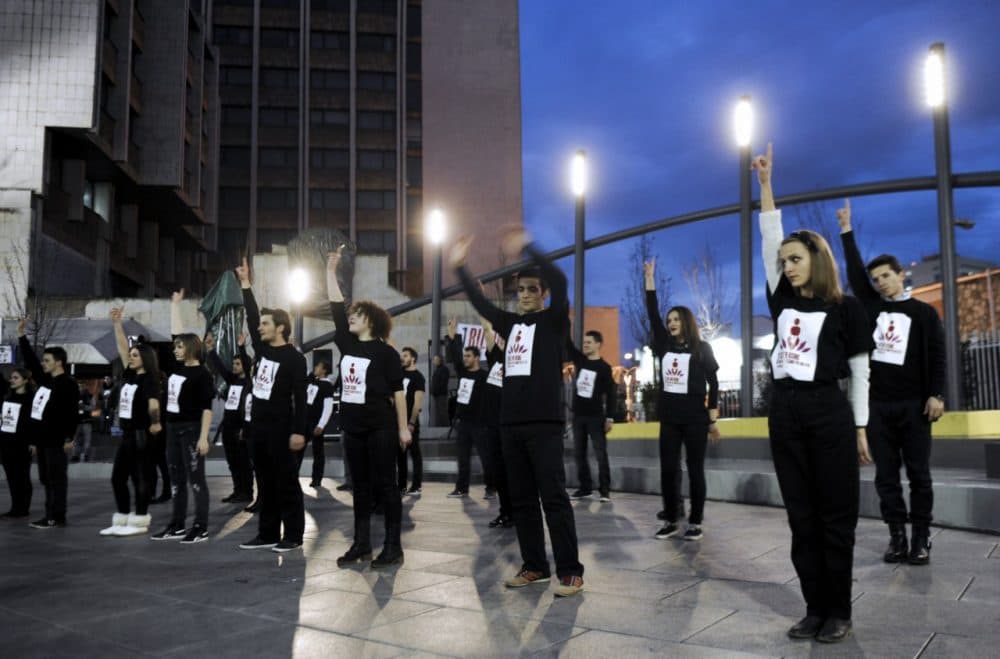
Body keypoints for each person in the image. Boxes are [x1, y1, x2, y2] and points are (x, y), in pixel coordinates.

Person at [755, 143, 873, 643]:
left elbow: (861, 370)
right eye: (784, 260)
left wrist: (861, 426)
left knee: (834, 517)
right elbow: (768, 239)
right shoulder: (781, 297)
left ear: (816, 259)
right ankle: (813, 609)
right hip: (785, 410)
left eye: (796, 258)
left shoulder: (845, 308)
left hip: (829, 411)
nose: (788, 265)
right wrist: (764, 188)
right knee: (801, 518)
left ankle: (839, 610)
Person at [450, 228, 585, 598]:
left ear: (542, 295)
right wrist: (460, 267)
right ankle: (534, 566)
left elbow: (558, 277)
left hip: (544, 423)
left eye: (531, 290)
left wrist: (526, 247)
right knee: (522, 499)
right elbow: (482, 305)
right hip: (510, 423)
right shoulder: (510, 325)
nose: (524, 295)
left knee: (553, 497)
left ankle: (570, 571)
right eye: (520, 291)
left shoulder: (555, 320)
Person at [838, 201, 945, 565]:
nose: (880, 282)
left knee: (919, 475)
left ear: (901, 275)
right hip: (880, 407)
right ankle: (896, 537)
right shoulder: (872, 308)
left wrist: (937, 394)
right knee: (886, 477)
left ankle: (921, 538)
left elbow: (938, 355)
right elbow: (853, 274)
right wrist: (846, 232)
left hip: (915, 405)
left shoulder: (924, 313)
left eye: (886, 275)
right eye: (876, 278)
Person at [326, 248, 411, 569]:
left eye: (357, 315)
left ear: (371, 322)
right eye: (352, 314)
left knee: (386, 485)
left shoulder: (387, 353)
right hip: (354, 427)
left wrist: (403, 428)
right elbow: (336, 307)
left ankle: (393, 546)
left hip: (381, 426)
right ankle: (361, 544)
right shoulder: (347, 344)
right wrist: (330, 271)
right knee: (359, 488)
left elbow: (398, 393)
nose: (350, 317)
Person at [235, 257, 309, 553]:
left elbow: (301, 398)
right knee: (264, 483)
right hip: (259, 429)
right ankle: (267, 533)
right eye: (261, 324)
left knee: (286, 483)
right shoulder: (263, 350)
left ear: (280, 327)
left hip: (282, 429)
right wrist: (245, 284)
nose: (260, 327)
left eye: (266, 324)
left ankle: (292, 535)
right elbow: (252, 315)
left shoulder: (294, 358)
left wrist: (299, 431)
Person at [644, 264, 721, 541]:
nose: (671, 323)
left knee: (695, 469)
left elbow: (713, 383)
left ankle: (696, 520)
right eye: (669, 320)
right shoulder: (664, 345)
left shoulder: (702, 349)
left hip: (695, 419)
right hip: (669, 418)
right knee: (668, 469)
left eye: (676, 319)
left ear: (685, 321)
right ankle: (671, 518)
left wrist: (712, 419)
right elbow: (652, 315)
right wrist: (650, 281)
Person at [151, 290, 214, 544]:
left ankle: (200, 526)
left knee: (196, 480)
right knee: (176, 478)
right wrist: (175, 305)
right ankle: (176, 524)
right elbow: (176, 331)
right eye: (175, 346)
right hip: (172, 428)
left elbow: (207, 408)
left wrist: (203, 438)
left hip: (191, 429)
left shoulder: (202, 374)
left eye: (180, 347)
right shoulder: (176, 368)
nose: (175, 349)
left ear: (190, 348)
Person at [101, 307, 162, 537]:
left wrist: (155, 423)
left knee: (140, 478)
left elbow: (153, 403)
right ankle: (122, 518)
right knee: (118, 478)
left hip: (142, 433)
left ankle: (138, 521)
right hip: (127, 433)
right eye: (132, 355)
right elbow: (122, 349)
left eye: (136, 355)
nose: (131, 357)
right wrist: (117, 324)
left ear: (145, 358)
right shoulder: (130, 375)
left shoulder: (149, 378)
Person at [17, 318, 78, 529]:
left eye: (47, 360)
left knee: (56, 479)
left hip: (57, 439)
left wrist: (70, 437)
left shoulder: (68, 385)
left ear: (58, 362)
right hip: (42, 440)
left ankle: (56, 516)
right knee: (46, 478)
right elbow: (32, 363)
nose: (43, 363)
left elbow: (72, 414)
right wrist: (21, 336)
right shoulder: (47, 381)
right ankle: (49, 514)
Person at [565, 330, 616, 502]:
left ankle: (605, 490)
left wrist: (610, 418)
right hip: (578, 416)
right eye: (584, 342)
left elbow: (611, 394)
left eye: (589, 342)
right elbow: (569, 345)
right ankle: (585, 488)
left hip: (596, 417)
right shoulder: (580, 361)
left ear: (598, 344)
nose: (585, 345)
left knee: (600, 453)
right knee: (579, 453)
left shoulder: (604, 368)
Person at [445, 317, 491, 499]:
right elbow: (455, 356)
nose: (465, 359)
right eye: (465, 356)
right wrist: (453, 336)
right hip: (463, 423)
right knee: (462, 459)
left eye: (468, 356)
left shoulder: (484, 376)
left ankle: (491, 487)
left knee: (486, 458)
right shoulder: (463, 372)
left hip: (480, 424)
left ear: (477, 358)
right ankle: (462, 488)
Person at [206, 333, 254, 504]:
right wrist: (211, 350)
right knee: (232, 462)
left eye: (238, 363)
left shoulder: (249, 382)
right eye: (233, 363)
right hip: (228, 427)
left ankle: (247, 492)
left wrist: (241, 346)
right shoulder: (233, 380)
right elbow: (220, 367)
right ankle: (237, 490)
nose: (234, 366)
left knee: (243, 462)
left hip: (240, 428)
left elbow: (248, 366)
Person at [482, 319, 513, 529]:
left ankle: (518, 512)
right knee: (498, 472)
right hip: (491, 424)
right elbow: (487, 330)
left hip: (509, 423)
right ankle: (505, 512)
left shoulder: (517, 363)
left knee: (513, 472)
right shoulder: (496, 358)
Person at [1, 368, 35, 519]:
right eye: (11, 378)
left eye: (16, 378)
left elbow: (35, 422)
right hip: (7, 442)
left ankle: (23, 508)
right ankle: (15, 507)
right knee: (11, 476)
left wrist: (34, 442)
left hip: (23, 443)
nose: (12, 380)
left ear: (25, 380)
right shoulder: (8, 397)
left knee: (22, 476)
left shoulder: (31, 399)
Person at [398, 347, 425, 495]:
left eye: (405, 356)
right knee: (399, 454)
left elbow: (417, 402)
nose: (402, 358)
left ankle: (416, 485)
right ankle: (401, 485)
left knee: (414, 453)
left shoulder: (418, 377)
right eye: (402, 355)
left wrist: (412, 422)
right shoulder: (399, 374)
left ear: (413, 358)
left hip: (409, 420)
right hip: (397, 419)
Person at [305, 361, 335, 488]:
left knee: (318, 451)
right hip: (305, 421)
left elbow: (328, 407)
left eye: (318, 366)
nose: (315, 367)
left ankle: (317, 478)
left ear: (324, 370)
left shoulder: (327, 386)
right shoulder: (312, 381)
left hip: (316, 422)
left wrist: (321, 424)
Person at [430, 354, 450, 426]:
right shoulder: (438, 370)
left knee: (442, 411)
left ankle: (445, 426)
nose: (434, 361)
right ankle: (441, 426)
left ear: (440, 360)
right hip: (437, 394)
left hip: (441, 394)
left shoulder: (444, 369)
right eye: (434, 360)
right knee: (439, 412)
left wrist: (436, 391)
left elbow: (443, 382)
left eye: (436, 360)